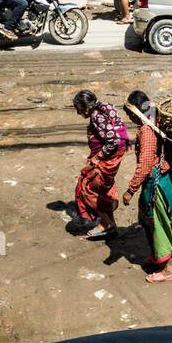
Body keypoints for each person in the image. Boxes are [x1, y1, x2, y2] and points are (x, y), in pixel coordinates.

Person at [122, 90, 172, 284]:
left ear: (137, 112)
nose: (129, 118)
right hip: (164, 180)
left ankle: (167, 269)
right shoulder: (155, 121)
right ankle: (157, 256)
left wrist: (131, 189)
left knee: (156, 224)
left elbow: (145, 164)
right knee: (147, 218)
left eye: (130, 114)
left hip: (156, 183)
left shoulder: (146, 131)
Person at [71, 89, 128, 239]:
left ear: (86, 107)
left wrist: (98, 158)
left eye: (79, 109)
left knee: (86, 186)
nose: (78, 113)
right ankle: (111, 225)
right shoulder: (106, 106)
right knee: (104, 187)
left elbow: (113, 140)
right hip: (116, 155)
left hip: (108, 158)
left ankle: (105, 223)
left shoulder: (97, 117)